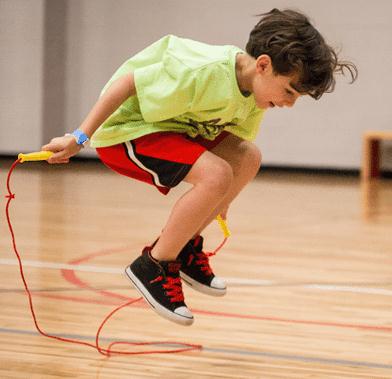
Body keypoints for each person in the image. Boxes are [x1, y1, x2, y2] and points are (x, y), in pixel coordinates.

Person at [42, 9, 357, 326]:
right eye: (289, 91)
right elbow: (126, 83)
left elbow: (232, 148)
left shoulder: (255, 95)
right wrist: (79, 137)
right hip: (126, 131)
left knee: (248, 157)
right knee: (216, 174)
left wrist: (221, 200)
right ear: (263, 65)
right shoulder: (202, 72)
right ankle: (153, 264)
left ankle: (185, 246)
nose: (290, 102)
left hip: (169, 129)